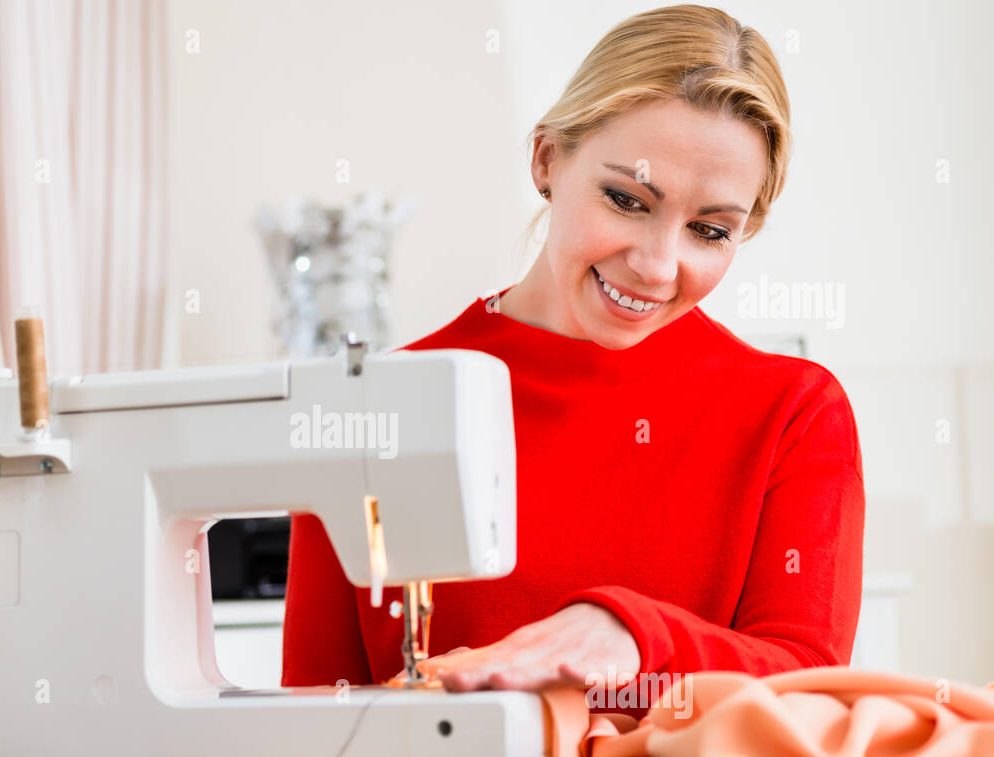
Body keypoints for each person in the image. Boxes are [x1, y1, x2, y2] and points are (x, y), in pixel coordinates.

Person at [281, 4, 864, 698]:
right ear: (547, 158)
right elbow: (315, 719)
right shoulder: (373, 407)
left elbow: (810, 682)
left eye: (709, 231)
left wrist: (633, 634)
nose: (656, 265)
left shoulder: (793, 413)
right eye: (626, 199)